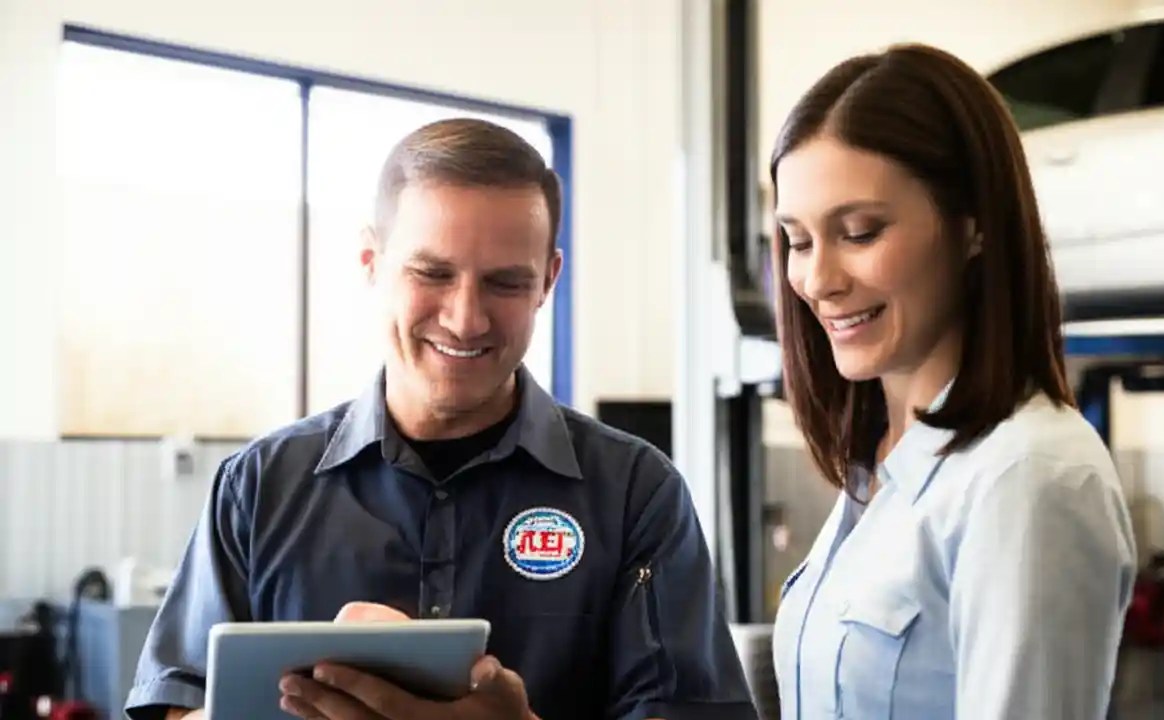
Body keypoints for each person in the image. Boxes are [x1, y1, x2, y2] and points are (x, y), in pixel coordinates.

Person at [124, 118, 757, 720]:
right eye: (432, 273)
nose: (465, 319)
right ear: (371, 264)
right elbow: (176, 702)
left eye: (505, 284)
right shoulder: (259, 488)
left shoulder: (634, 496)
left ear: (548, 281)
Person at [767, 44, 1137, 719]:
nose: (817, 280)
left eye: (859, 231)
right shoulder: (875, 471)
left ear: (975, 227)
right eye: (797, 240)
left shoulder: (1028, 477)